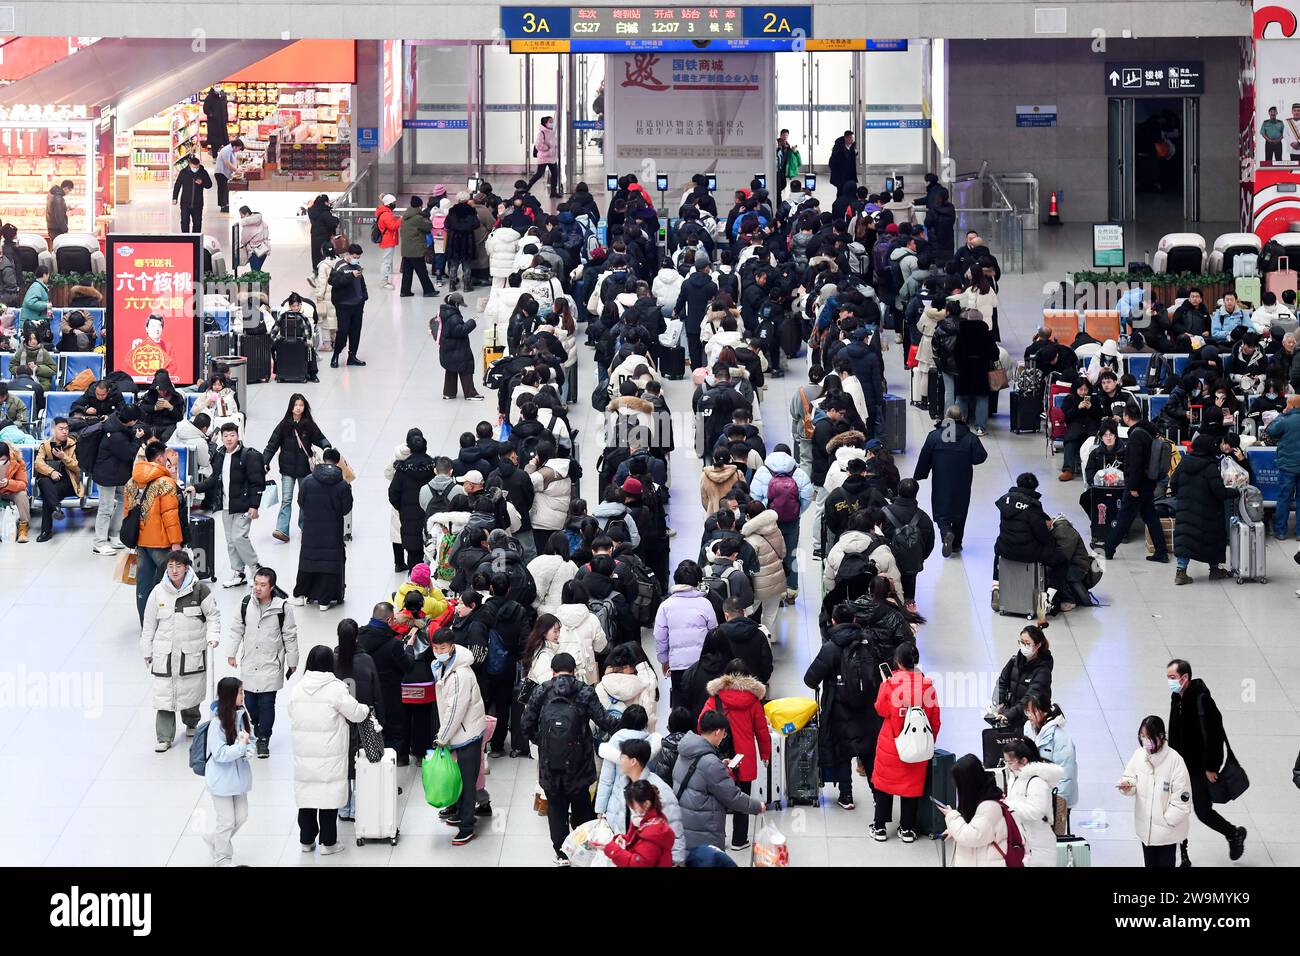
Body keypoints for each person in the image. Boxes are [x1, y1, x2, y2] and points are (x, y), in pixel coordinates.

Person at [521, 651, 619, 864]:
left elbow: (526, 724)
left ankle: (561, 853)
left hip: (550, 765)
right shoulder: (585, 691)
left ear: (553, 672)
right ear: (574, 671)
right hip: (579, 763)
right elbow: (604, 721)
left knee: (556, 808)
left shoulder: (542, 691)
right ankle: (582, 849)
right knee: (582, 803)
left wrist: (542, 743)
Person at [288, 645, 368, 855]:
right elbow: (356, 714)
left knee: (307, 796)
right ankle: (328, 843)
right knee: (328, 797)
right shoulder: (336, 689)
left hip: (304, 752)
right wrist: (365, 708)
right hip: (329, 753)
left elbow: (291, 712)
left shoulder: (298, 688)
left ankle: (306, 841)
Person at [1167, 660, 1248, 864]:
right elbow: (1174, 732)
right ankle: (1183, 855)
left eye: (1173, 677)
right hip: (1180, 767)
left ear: (1185, 677)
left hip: (1199, 769)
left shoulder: (1202, 700)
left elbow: (1215, 735)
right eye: (1168, 677)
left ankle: (1233, 833)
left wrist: (1212, 766)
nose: (1170, 681)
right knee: (1177, 811)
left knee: (1203, 812)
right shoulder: (1176, 699)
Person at [141, 550, 221, 751]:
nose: (174, 570)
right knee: (164, 696)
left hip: (191, 653)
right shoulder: (158, 592)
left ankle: (192, 723)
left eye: (178, 566)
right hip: (165, 655)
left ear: (186, 568)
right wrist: (147, 650)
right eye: (170, 566)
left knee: (191, 691)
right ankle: (164, 737)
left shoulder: (200, 590)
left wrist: (213, 636)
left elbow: (213, 616)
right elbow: (149, 624)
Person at [672, 710, 765, 867]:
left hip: (686, 825)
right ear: (717, 732)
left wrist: (719, 767)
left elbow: (697, 778)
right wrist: (757, 806)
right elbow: (732, 797)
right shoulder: (710, 763)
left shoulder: (685, 751)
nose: (724, 736)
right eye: (724, 732)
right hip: (705, 830)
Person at [224, 566, 298, 758]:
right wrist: (231, 653)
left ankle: (264, 738)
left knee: (267, 703)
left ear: (271, 587)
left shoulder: (283, 608)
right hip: (250, 663)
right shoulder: (245, 604)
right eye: (255, 583)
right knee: (250, 704)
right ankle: (256, 724)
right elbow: (236, 630)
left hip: (272, 664)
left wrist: (292, 661)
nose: (257, 588)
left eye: (262, 585)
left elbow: (290, 636)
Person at [871, 642, 941, 842]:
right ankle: (907, 829)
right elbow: (935, 720)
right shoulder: (928, 688)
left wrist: (885, 684)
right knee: (911, 786)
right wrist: (927, 743)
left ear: (898, 662)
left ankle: (880, 827)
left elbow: (881, 709)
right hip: (916, 745)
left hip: (891, 743)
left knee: (884, 784)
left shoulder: (891, 685)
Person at [697, 659, 770, 850]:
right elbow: (762, 730)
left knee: (718, 799)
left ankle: (717, 840)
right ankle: (739, 840)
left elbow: (701, 724)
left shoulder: (715, 699)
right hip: (744, 758)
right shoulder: (753, 701)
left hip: (719, 756)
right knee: (742, 799)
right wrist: (765, 754)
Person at [427, 624, 489, 846]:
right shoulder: (442, 666)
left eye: (443, 648)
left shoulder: (460, 674)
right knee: (460, 778)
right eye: (436, 648)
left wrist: (442, 737)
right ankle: (461, 813)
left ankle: (467, 826)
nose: (439, 651)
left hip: (466, 733)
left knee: (467, 781)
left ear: (452, 647)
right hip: (459, 732)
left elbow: (455, 710)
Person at [192, 422, 265, 588]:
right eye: (225, 436)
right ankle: (239, 573)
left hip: (243, 505)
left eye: (232, 435)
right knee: (231, 541)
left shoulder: (248, 455)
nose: (229, 439)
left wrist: (254, 506)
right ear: (222, 438)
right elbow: (213, 479)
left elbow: (256, 483)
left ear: (238, 436)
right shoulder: (220, 455)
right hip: (226, 505)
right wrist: (196, 487)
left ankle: (255, 567)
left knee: (239, 537)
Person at [1118, 715, 1192, 868]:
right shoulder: (1139, 755)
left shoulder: (1175, 761)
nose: (1145, 740)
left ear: (1161, 736)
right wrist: (1128, 785)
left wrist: (1166, 822)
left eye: (1148, 736)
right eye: (1142, 736)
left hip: (1168, 836)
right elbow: (1130, 777)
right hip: (1146, 832)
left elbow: (1183, 799)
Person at [913, 405, 987, 557]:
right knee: (961, 511)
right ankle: (956, 544)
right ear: (962, 418)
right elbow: (980, 457)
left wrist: (919, 475)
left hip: (941, 481)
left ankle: (946, 532)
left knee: (941, 511)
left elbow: (925, 457)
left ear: (946, 417)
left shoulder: (934, 436)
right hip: (962, 482)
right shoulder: (970, 438)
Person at [124, 439, 185, 623]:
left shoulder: (132, 481)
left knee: (144, 585)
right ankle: (167, 622)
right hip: (162, 543)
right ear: (159, 458)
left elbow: (127, 513)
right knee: (169, 583)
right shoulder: (166, 483)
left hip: (140, 541)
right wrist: (176, 542)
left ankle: (146, 624)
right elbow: (170, 516)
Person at [1103, 405, 1170, 563]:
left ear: (1127, 417)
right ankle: (1161, 551)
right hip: (1148, 482)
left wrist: (1133, 487)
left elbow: (1136, 464)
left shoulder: (1136, 436)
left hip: (1138, 485)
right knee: (1150, 516)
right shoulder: (1148, 431)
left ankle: (1109, 547)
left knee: (1124, 517)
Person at [261, 393, 331, 543]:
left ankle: (305, 526)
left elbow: (320, 438)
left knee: (304, 499)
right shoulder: (284, 425)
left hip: (305, 470)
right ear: (291, 407)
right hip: (287, 470)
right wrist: (265, 461)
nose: (298, 408)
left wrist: (326, 447)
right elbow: (272, 445)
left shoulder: (309, 425)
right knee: (286, 499)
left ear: (304, 407)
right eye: (296, 405)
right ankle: (282, 529)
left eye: (301, 405)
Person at [1168, 433, 1237, 585]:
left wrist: (1183, 496)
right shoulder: (1210, 466)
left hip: (1186, 510)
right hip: (1207, 511)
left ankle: (1181, 573)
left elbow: (1173, 483)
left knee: (1185, 539)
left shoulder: (1184, 462)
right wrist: (1236, 491)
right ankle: (1214, 569)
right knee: (1212, 538)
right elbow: (1219, 492)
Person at [201, 676, 253, 866]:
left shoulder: (241, 715)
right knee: (227, 821)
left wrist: (248, 749)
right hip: (221, 781)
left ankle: (215, 840)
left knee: (241, 817)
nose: (243, 695)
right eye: (240, 692)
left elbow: (250, 739)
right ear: (230, 695)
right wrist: (241, 747)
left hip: (239, 779)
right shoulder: (217, 723)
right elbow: (220, 754)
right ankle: (222, 859)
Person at [293, 448, 353, 609]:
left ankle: (300, 595)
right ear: (338, 462)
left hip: (311, 530)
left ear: (323, 459)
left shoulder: (307, 481)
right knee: (329, 563)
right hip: (333, 531)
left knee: (307, 561)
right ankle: (324, 601)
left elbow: (301, 502)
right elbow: (346, 508)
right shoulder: (342, 485)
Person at [654, 561, 718, 708]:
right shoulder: (705, 604)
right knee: (702, 703)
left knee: (680, 704)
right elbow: (714, 634)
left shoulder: (665, 606)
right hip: (701, 665)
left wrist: (664, 660)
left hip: (678, 665)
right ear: (697, 582)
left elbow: (660, 636)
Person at [91, 404, 145, 555]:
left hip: (119, 473)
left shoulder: (119, 426)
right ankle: (99, 543)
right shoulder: (114, 434)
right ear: (131, 420)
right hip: (106, 475)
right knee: (106, 508)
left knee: (123, 502)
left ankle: (113, 535)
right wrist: (137, 439)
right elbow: (127, 453)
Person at [1000, 738, 1063, 867]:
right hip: (1025, 840)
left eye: (1010, 762)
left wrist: (1009, 805)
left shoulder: (1037, 782)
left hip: (1039, 844)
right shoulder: (1015, 777)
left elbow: (1036, 812)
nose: (1007, 766)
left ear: (1023, 760)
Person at [940, 754, 1009, 866]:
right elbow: (973, 825)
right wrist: (954, 829)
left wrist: (952, 816)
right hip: (978, 858)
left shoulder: (989, 807)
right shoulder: (981, 794)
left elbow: (972, 837)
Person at [1024, 692, 1078, 819]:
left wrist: (1058, 804)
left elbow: (1066, 776)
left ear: (1044, 712)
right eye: (1027, 712)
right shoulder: (1028, 728)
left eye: (1032, 712)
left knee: (1054, 830)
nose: (1029, 716)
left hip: (1056, 795)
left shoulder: (1061, 739)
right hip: (1035, 794)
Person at [602, 778, 676, 867]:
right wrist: (625, 840)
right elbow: (639, 845)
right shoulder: (646, 821)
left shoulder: (654, 832)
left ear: (646, 804)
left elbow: (637, 863)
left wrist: (613, 850)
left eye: (633, 805)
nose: (631, 808)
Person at [33, 416, 81, 543]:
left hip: (69, 482)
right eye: (61, 429)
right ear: (53, 430)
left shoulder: (73, 445)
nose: (65, 432)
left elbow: (77, 468)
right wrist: (52, 472)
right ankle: (56, 508)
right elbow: (38, 464)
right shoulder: (45, 445)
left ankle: (46, 531)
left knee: (47, 495)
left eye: (66, 429)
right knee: (43, 482)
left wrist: (63, 457)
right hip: (51, 482)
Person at [328, 243, 369, 368]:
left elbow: (361, 282)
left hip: (357, 304)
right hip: (343, 305)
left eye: (358, 257)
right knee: (343, 331)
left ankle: (352, 356)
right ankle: (336, 355)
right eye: (354, 257)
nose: (356, 259)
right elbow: (334, 282)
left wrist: (364, 296)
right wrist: (351, 275)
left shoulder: (358, 266)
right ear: (348, 254)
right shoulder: (339, 266)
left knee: (355, 331)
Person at [436, 292, 483, 400]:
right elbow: (460, 331)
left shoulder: (444, 313)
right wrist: (472, 322)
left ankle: (449, 392)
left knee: (451, 369)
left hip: (448, 349)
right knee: (465, 368)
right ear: (456, 304)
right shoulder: (453, 317)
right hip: (457, 349)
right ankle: (470, 393)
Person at [1265, 394, 1300, 539]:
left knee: (1284, 498)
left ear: (1291, 405)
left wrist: (1281, 415)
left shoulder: (1285, 420)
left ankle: (1280, 531)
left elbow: (1270, 430)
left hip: (1287, 466)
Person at [399, 196, 438, 297]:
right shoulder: (418, 218)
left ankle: (405, 291)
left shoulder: (405, 216)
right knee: (422, 271)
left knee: (407, 272)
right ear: (420, 206)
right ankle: (428, 291)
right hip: (416, 249)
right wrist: (425, 216)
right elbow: (429, 226)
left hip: (406, 249)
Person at [172, 154, 212, 232]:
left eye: (197, 167)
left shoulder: (203, 172)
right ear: (190, 165)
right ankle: (185, 238)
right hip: (185, 203)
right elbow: (177, 185)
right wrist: (174, 198)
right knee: (184, 221)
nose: (195, 169)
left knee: (197, 223)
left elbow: (209, 185)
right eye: (194, 167)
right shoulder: (183, 173)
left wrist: (202, 182)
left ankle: (195, 238)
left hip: (198, 203)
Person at [0, 441, 30, 544]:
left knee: (22, 495)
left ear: (8, 456)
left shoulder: (18, 462)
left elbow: (23, 483)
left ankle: (23, 527)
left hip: (11, 491)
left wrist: (8, 483)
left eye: (2, 460)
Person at [526, 116, 560, 197]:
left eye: (552, 121)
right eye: (550, 122)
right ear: (545, 123)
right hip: (544, 157)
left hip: (552, 157)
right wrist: (547, 148)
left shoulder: (552, 132)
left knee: (555, 175)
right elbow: (538, 145)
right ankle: (526, 188)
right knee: (539, 174)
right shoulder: (541, 133)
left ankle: (553, 192)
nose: (552, 123)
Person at [306, 194, 339, 271]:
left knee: (316, 254)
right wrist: (336, 220)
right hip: (324, 236)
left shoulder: (311, 211)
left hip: (314, 235)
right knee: (325, 253)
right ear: (325, 202)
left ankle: (316, 269)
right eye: (327, 202)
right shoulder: (325, 212)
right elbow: (331, 224)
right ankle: (325, 270)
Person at [236, 203, 269, 269]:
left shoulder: (248, 224)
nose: (241, 217)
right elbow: (266, 231)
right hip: (263, 248)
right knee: (257, 270)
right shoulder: (260, 220)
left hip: (254, 251)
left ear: (247, 213)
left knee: (255, 271)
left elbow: (244, 239)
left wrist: (243, 243)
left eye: (241, 215)